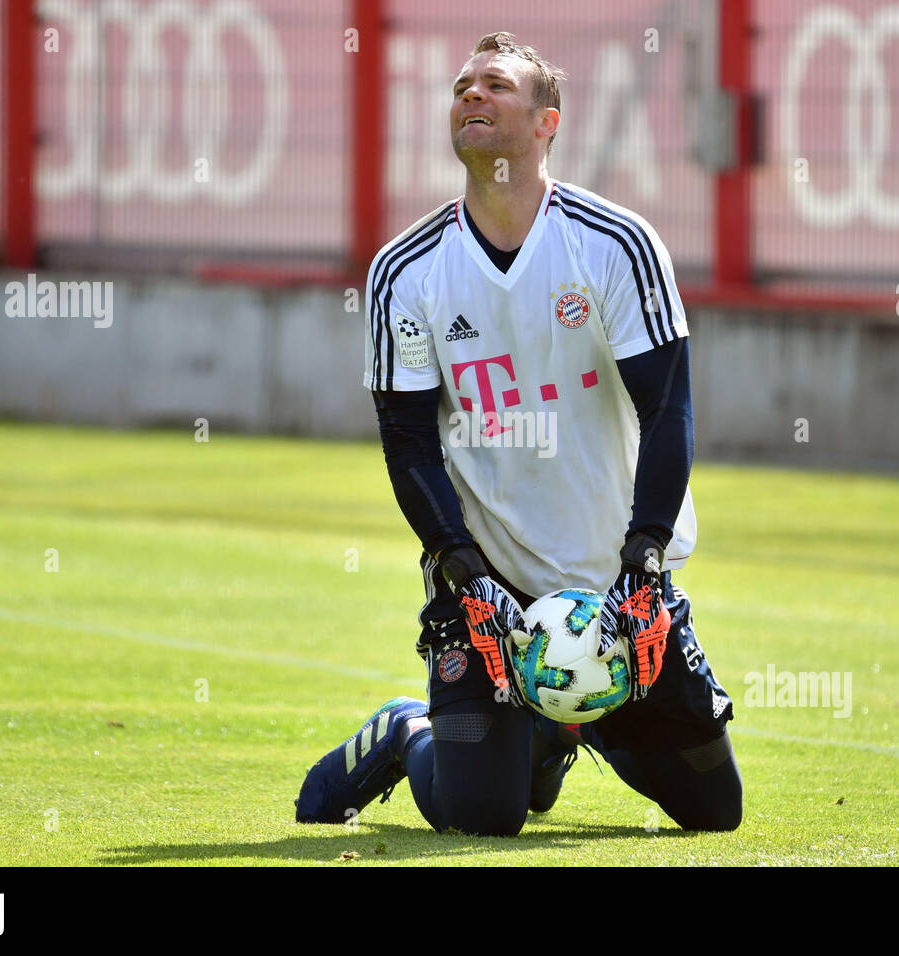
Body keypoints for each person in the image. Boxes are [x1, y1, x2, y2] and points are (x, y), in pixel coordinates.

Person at [295, 32, 741, 836]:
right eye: (463, 85)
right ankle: (410, 730)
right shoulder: (406, 271)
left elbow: (667, 411)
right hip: (489, 592)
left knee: (715, 812)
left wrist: (644, 560)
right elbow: (409, 443)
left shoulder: (617, 245)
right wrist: (461, 569)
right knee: (484, 815)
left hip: (619, 591)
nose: (471, 95)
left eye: (495, 85)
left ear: (547, 122)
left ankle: (560, 722)